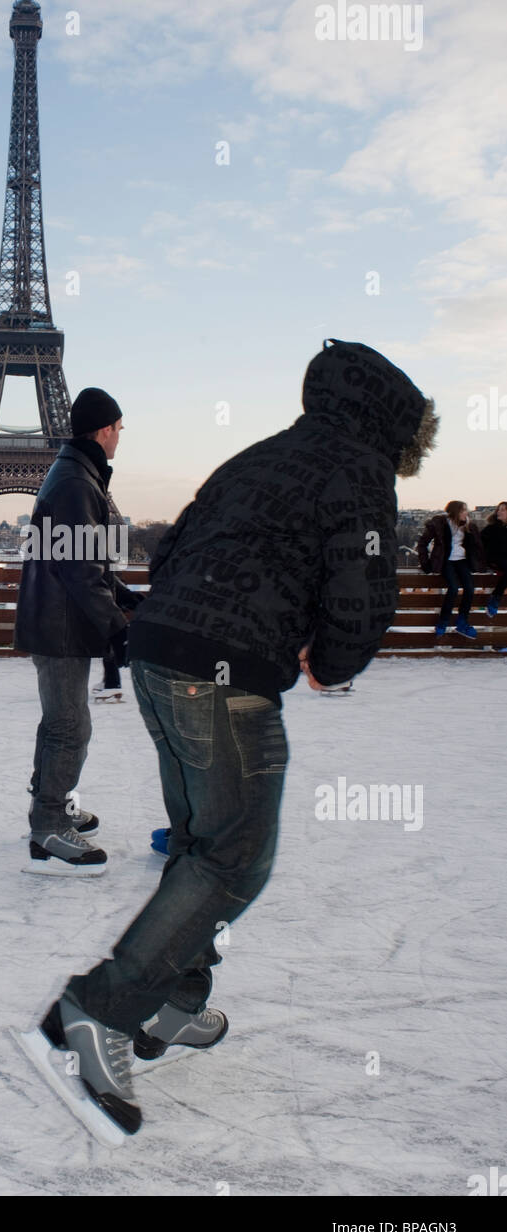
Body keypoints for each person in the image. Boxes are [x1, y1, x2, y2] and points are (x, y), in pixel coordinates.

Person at [22, 339, 439, 1139]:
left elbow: (174, 544)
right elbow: (362, 587)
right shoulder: (361, 472)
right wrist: (335, 657)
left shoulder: (259, 454)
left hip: (156, 655)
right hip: (223, 676)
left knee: (196, 845)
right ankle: (96, 1009)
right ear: (392, 423)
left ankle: (175, 1002)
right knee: (233, 858)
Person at [14, 387, 142, 876]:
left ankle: (48, 805)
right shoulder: (75, 480)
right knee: (71, 727)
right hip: (61, 625)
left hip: (56, 619)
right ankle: (48, 825)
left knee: (59, 722)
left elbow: (84, 557)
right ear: (104, 429)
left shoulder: (74, 473)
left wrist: (125, 598)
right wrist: (117, 629)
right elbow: (79, 567)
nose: (120, 439)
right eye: (120, 430)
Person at [416, 501, 486, 638]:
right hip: (446, 561)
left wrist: (480, 563)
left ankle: (462, 622)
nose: (467, 513)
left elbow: (478, 547)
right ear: (455, 511)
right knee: (453, 588)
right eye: (464, 510)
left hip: (462, 561)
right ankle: (443, 622)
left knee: (469, 589)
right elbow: (422, 543)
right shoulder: (440, 524)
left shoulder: (468, 526)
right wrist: (426, 563)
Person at [481, 500, 507, 618]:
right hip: (493, 559)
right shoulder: (491, 528)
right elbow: (478, 542)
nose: (499, 512)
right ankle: (495, 598)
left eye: (503, 510)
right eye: (498, 509)